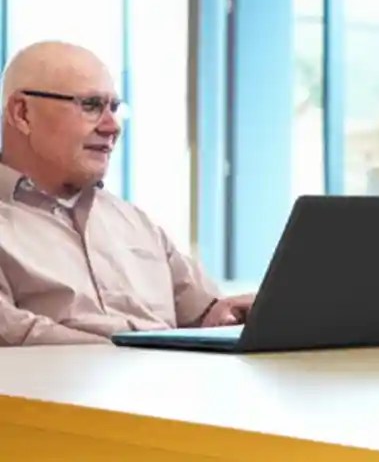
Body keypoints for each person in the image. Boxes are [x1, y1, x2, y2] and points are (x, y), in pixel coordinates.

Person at [0, 41, 253, 346]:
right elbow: (13, 335)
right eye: (91, 106)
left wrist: (227, 315)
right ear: (22, 113)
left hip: (168, 383)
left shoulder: (133, 222)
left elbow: (203, 311)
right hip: (57, 389)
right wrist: (142, 351)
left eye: (114, 108)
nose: (112, 126)